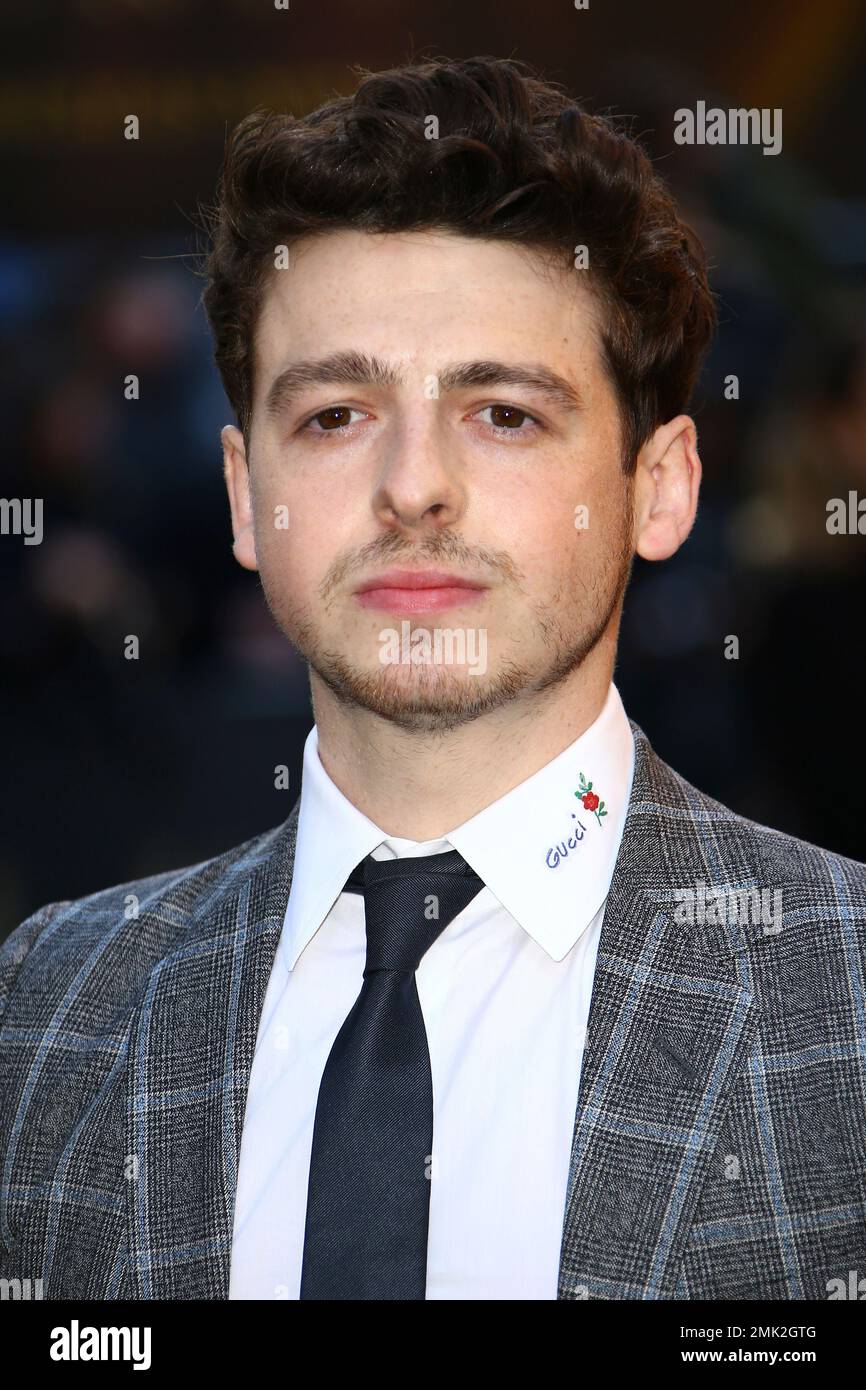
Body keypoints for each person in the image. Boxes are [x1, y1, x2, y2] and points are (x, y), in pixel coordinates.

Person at [1, 55, 864, 1302]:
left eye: (503, 412)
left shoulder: (839, 992)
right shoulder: (51, 1008)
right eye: (336, 415)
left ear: (659, 486)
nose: (413, 485)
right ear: (247, 496)